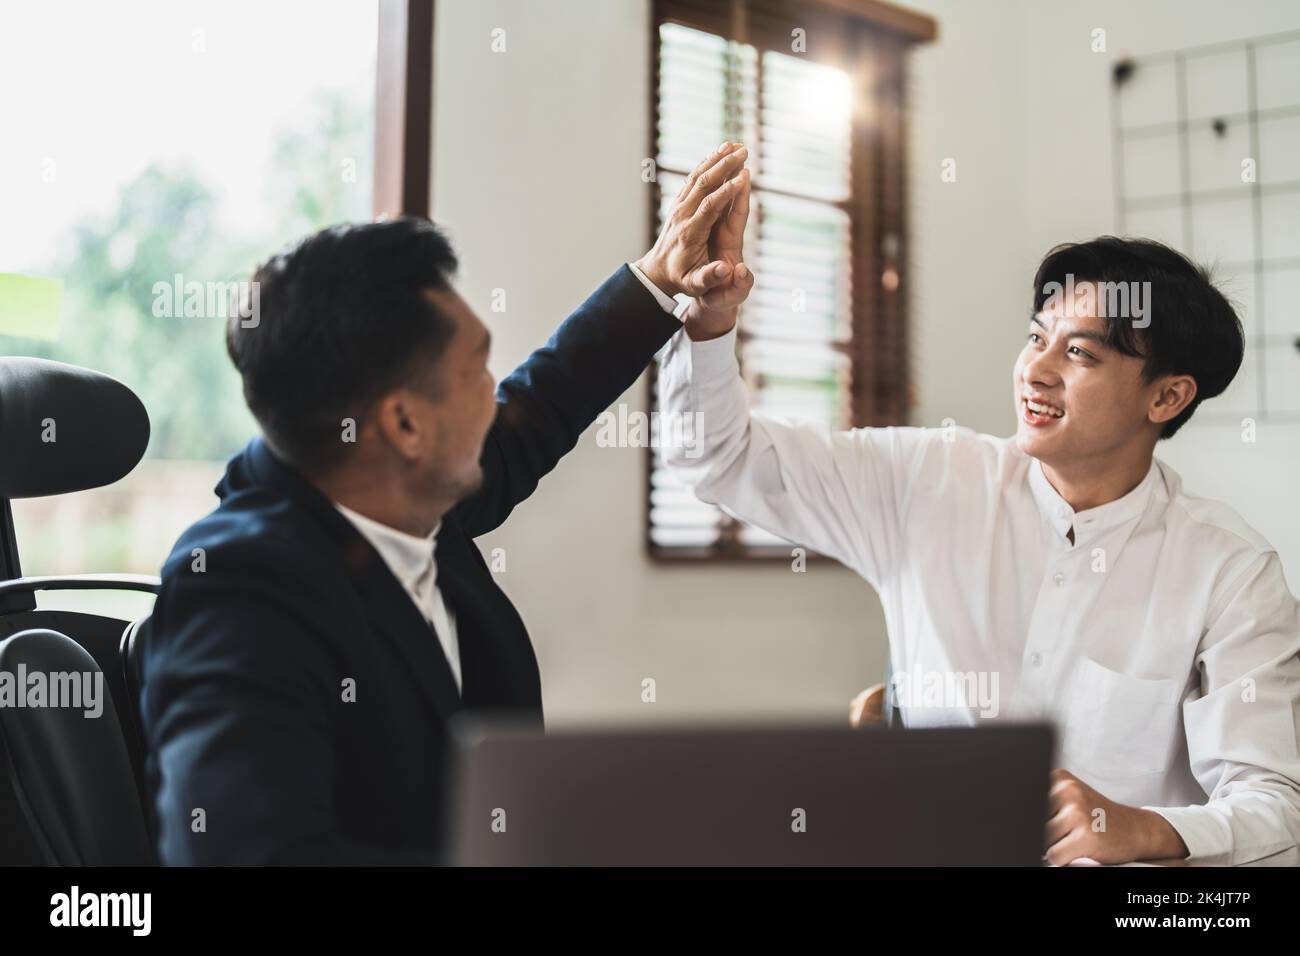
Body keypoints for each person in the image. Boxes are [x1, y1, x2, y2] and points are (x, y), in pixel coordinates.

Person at [139, 144, 752, 865]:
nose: (495, 393)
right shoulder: (239, 594)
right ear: (404, 424)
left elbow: (541, 404)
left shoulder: (398, 492)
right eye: (477, 370)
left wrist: (657, 279)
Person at [659, 235, 1300, 866]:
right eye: (1035, 338)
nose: (1036, 371)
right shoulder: (928, 479)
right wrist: (711, 323)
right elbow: (718, 457)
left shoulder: (1231, 572)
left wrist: (1143, 829)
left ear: (1166, 396)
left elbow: (1273, 800)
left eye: (1078, 352)